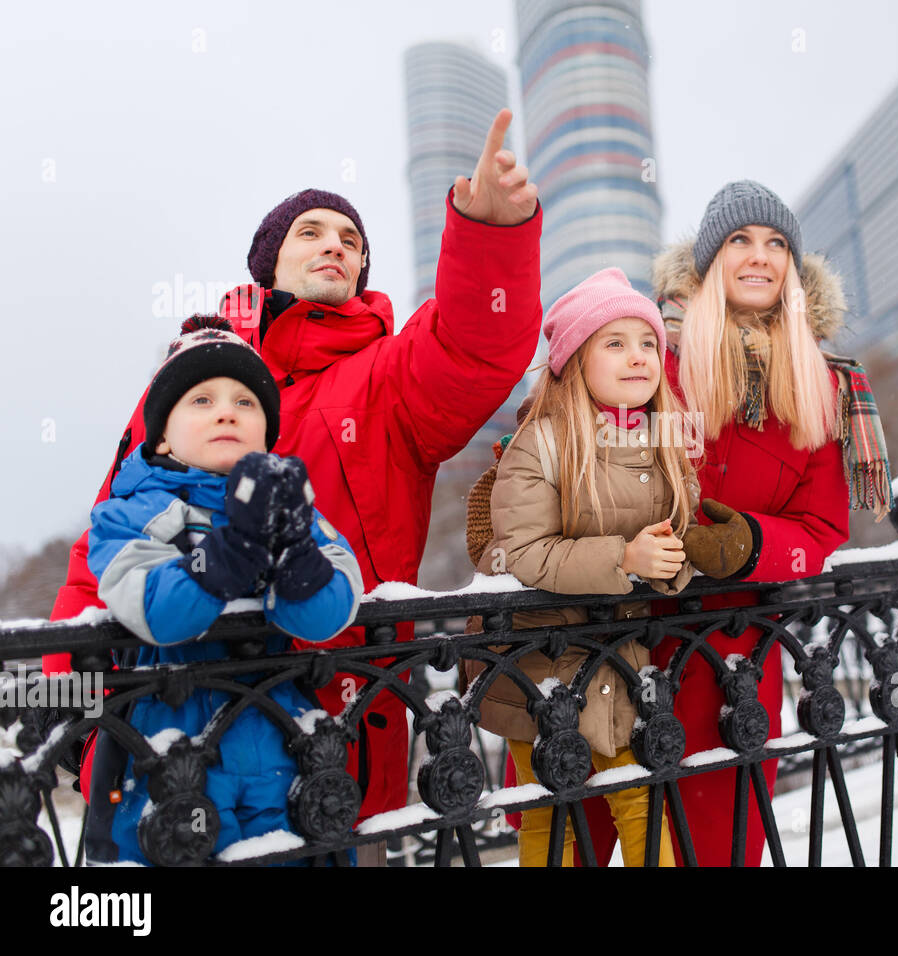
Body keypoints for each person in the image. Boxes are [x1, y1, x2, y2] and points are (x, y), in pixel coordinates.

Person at [47, 110, 543, 845]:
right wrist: (69, 699)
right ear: (269, 263)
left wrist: (489, 238)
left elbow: (476, 350)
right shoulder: (186, 382)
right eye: (310, 232)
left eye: (350, 240)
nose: (334, 245)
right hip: (171, 728)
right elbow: (109, 537)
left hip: (332, 733)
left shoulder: (389, 375)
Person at [573, 181, 894, 865]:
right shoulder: (645, 354)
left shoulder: (822, 384)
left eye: (777, 243)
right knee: (590, 843)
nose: (760, 256)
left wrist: (749, 544)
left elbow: (821, 530)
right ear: (709, 260)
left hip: (732, 659)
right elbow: (572, 463)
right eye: (740, 241)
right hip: (614, 639)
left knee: (716, 846)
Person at [87, 316, 363, 864]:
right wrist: (233, 550)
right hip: (172, 757)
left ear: (266, 433)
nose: (226, 411)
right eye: (201, 400)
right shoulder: (126, 514)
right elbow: (154, 610)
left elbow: (333, 609)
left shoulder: (298, 511)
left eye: (246, 402)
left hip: (283, 749)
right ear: (162, 433)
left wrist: (294, 553)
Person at [466, 268, 699, 866]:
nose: (639, 356)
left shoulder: (666, 443)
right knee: (548, 816)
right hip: (537, 666)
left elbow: (675, 541)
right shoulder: (540, 443)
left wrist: (675, 559)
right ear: (575, 361)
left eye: (648, 342)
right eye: (614, 343)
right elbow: (522, 552)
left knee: (644, 807)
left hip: (619, 658)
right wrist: (622, 557)